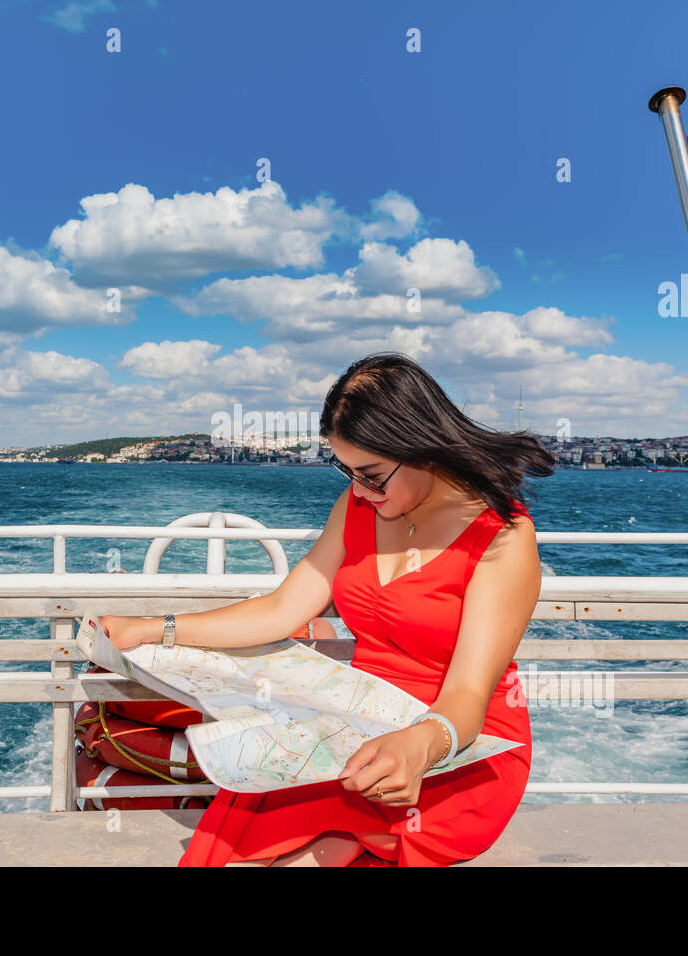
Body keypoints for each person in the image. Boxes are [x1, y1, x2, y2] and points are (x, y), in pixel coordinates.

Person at [100, 352, 555, 866]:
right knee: (247, 843)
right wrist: (156, 629)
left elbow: (470, 692)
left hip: (457, 746)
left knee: (283, 840)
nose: (360, 489)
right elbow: (279, 610)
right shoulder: (360, 503)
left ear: (422, 447)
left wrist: (420, 744)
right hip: (352, 725)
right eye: (348, 470)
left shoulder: (504, 537)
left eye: (373, 473)